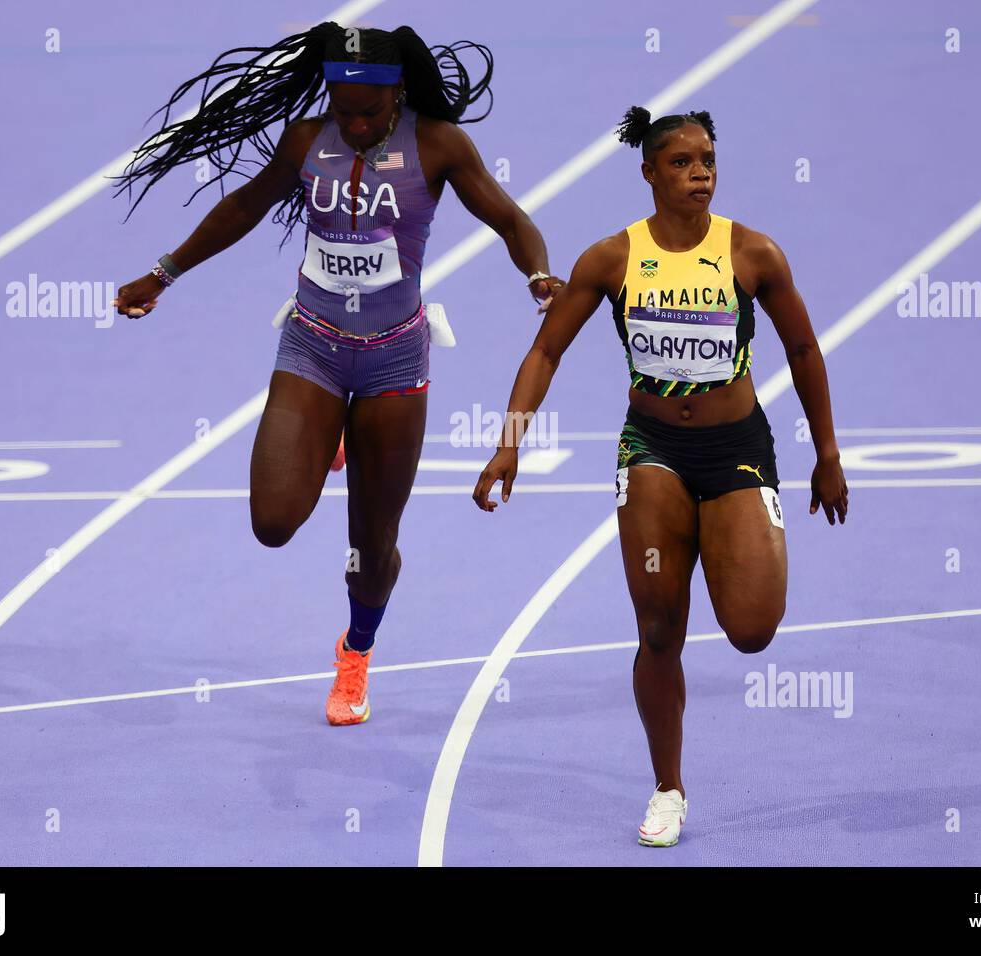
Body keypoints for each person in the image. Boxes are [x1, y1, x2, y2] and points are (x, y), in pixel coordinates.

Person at [111, 22, 565, 727]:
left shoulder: (438, 145)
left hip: (393, 360)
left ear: (398, 96)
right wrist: (164, 272)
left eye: (368, 114)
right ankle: (330, 435)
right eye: (342, 109)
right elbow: (242, 207)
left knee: (371, 547)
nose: (353, 125)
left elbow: (509, 219)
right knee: (273, 522)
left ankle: (356, 650)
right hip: (314, 346)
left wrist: (538, 276)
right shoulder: (305, 141)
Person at [473, 106, 848, 846]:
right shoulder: (612, 259)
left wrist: (827, 455)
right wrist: (510, 441)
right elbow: (546, 352)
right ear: (649, 173)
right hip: (651, 452)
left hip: (737, 447)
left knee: (751, 630)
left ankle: (729, 541)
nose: (699, 172)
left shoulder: (753, 254)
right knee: (657, 628)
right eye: (680, 162)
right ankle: (668, 788)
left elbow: (804, 351)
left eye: (707, 159)